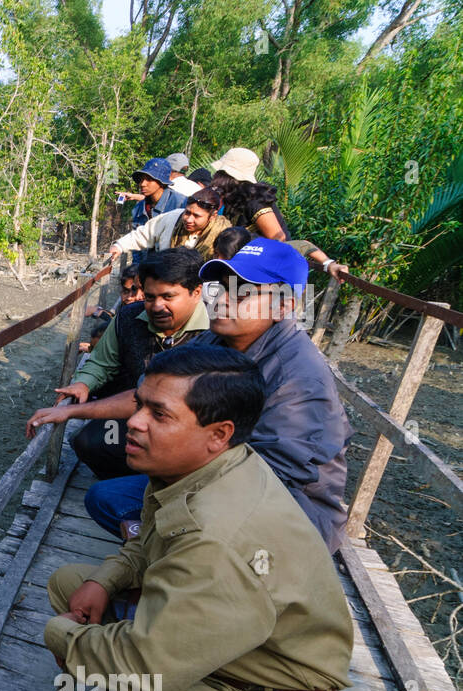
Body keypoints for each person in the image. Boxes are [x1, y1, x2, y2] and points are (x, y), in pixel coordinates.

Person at [45, 344, 353, 691]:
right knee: (73, 585)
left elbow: (145, 662)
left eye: (158, 414)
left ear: (218, 435)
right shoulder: (203, 468)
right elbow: (148, 539)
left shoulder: (222, 538)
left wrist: (63, 636)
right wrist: (105, 580)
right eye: (139, 404)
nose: (135, 423)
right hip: (230, 654)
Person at [82, 238, 353, 553]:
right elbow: (152, 384)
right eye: (221, 288)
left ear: (284, 306)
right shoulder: (216, 340)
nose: (224, 300)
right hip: (210, 477)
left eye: (244, 291)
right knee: (105, 497)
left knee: (181, 528)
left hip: (282, 512)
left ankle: (168, 549)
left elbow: (270, 481)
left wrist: (177, 455)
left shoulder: (301, 380)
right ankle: (158, 544)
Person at [27, 247, 209, 480]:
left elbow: (161, 397)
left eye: (168, 297)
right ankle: (135, 484)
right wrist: (83, 383)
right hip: (138, 413)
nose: (156, 306)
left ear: (196, 292)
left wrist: (72, 411)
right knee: (89, 443)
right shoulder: (128, 317)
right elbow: (102, 362)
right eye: (151, 297)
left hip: (188, 427)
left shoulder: (213, 331)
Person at [209, 148, 347, 280]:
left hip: (266, 272)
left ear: (226, 177)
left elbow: (280, 240)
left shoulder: (254, 202)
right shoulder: (234, 200)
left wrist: (328, 264)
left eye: (219, 174)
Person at [109, 188, 231, 261]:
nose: (189, 219)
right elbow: (144, 234)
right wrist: (119, 246)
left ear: (213, 216)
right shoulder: (173, 217)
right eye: (187, 212)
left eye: (197, 216)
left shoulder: (224, 232)